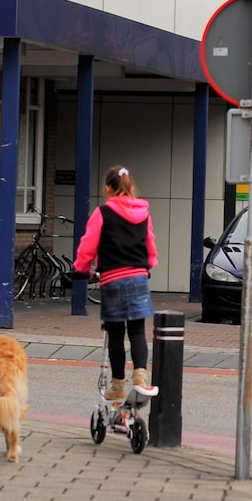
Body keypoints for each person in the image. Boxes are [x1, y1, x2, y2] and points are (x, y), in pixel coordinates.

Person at [73, 166, 159, 401]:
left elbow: (88, 245)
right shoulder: (144, 212)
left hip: (113, 279)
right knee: (137, 330)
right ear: (130, 187)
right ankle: (140, 375)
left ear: (107, 189)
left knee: (116, 333)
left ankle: (118, 384)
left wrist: (81, 268)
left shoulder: (103, 213)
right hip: (139, 277)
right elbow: (150, 243)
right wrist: (149, 264)